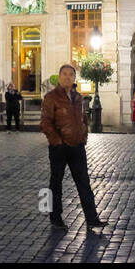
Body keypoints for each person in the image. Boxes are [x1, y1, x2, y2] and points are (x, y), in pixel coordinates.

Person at [40, 63, 106, 233]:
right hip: (59, 147)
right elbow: (46, 122)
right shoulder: (51, 97)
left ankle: (92, 218)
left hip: (77, 146)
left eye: (71, 74)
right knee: (55, 183)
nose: (67, 77)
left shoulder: (78, 98)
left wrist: (84, 136)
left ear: (74, 78)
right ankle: (54, 217)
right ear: (59, 76)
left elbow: (83, 118)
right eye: (64, 74)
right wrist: (57, 142)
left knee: (84, 183)